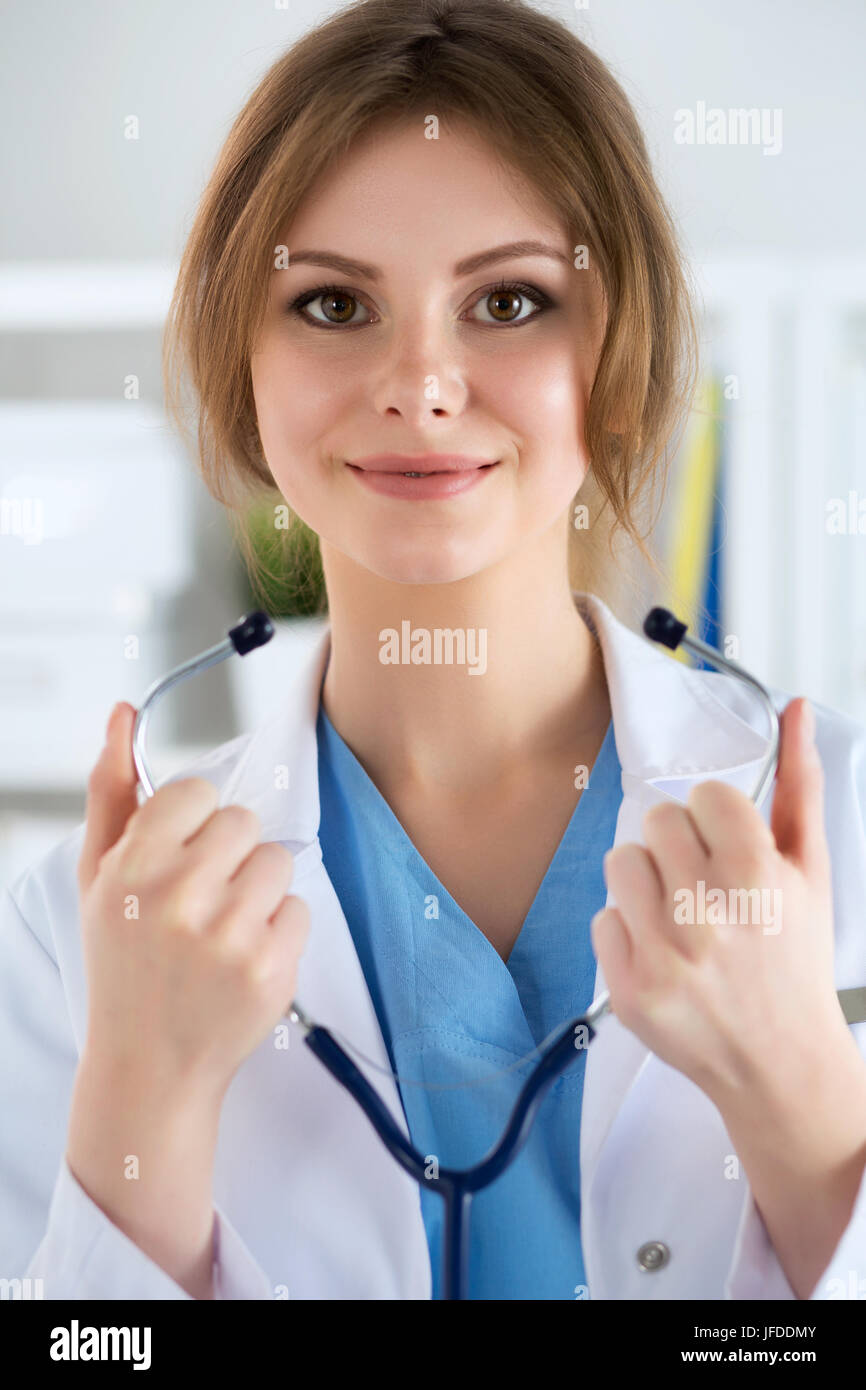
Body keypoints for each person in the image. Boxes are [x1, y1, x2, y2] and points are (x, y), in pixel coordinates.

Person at [3, 0, 866, 1302]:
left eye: (509, 300)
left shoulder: (843, 836)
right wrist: (141, 1101)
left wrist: (807, 1116)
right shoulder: (72, 931)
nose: (418, 380)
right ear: (243, 367)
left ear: (617, 360)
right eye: (333, 301)